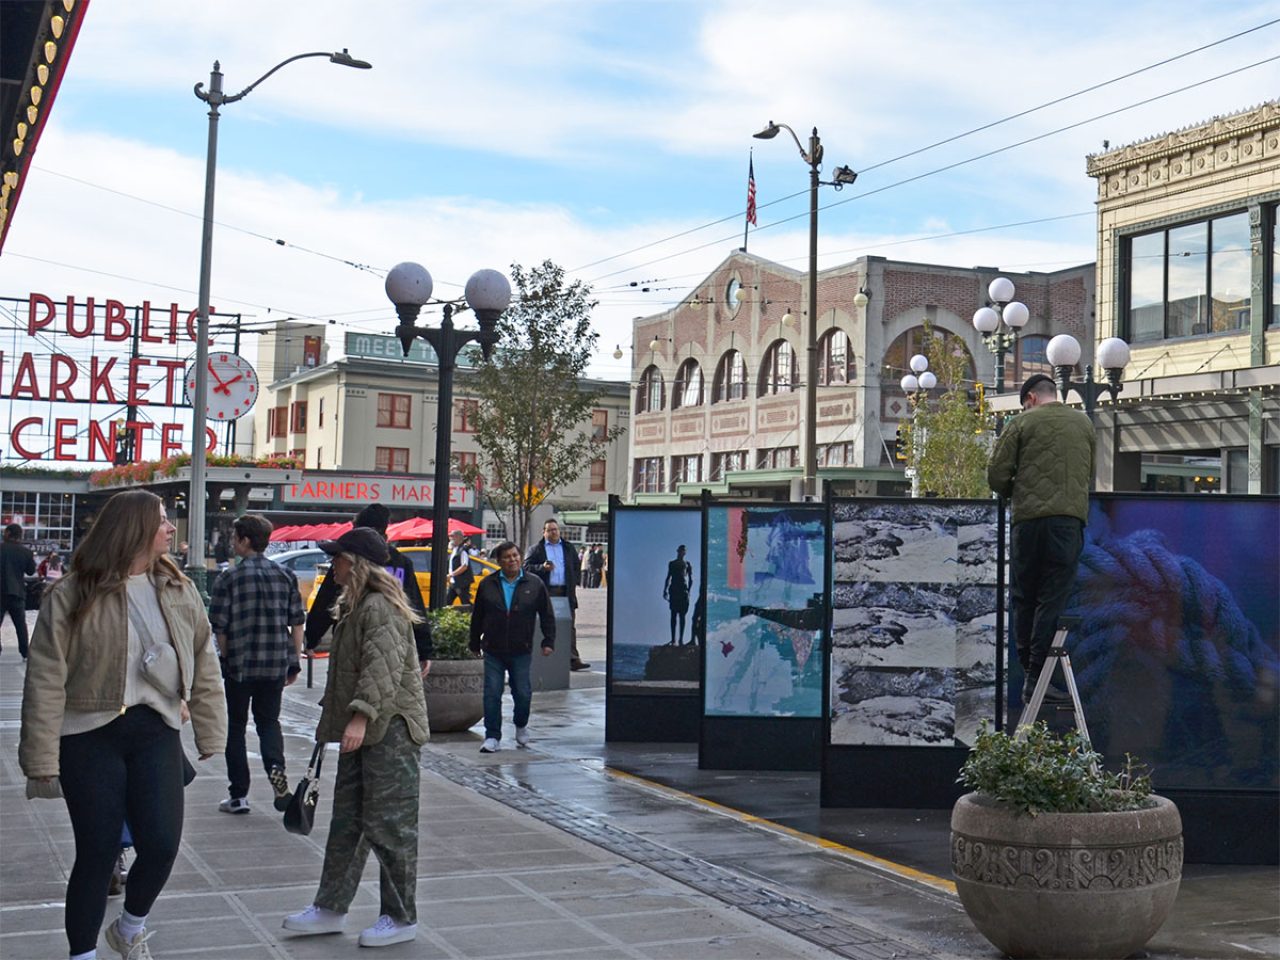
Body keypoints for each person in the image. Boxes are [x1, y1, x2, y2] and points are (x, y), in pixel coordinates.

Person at [18, 489, 226, 960]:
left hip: (156, 731)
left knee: (162, 844)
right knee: (96, 853)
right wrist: (41, 757)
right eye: (162, 520)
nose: (171, 528)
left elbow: (203, 660)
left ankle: (129, 927)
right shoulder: (72, 593)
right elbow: (46, 676)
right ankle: (83, 954)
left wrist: (211, 730)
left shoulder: (178, 588)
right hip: (87, 735)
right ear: (134, 529)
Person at [282, 527, 429, 949]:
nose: (332, 566)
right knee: (349, 821)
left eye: (338, 558)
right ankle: (330, 907)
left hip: (391, 730)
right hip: (366, 728)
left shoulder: (379, 607)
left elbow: (380, 671)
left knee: (391, 824)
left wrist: (359, 718)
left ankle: (401, 917)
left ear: (356, 563)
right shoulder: (359, 604)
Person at [988, 373, 1096, 704]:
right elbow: (1087, 473)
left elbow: (995, 475)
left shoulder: (1020, 423)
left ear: (1031, 398)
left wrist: (1014, 492)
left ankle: (1029, 675)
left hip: (1028, 523)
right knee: (1052, 598)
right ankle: (1038, 677)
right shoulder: (1084, 424)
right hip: (1067, 522)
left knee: (1024, 597)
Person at [208, 514, 305, 815]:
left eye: (235, 537)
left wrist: (225, 659)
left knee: (236, 727)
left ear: (245, 540)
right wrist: (294, 661)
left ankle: (238, 795)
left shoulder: (229, 578)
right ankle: (277, 771)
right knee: (269, 722)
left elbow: (220, 627)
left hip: (240, 664)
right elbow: (297, 623)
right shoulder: (285, 575)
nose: (232, 542)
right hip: (275, 663)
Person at [305, 504, 432, 674]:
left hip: (352, 642)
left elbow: (326, 600)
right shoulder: (401, 561)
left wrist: (312, 638)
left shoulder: (351, 557)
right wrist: (424, 649)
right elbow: (413, 604)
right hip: (395, 640)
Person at [470, 541, 555, 753]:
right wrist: (473, 642)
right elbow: (477, 616)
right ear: (499, 561)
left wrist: (548, 641)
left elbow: (547, 614)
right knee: (492, 692)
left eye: (515, 555)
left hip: (521, 649)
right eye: (507, 557)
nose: (512, 560)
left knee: (523, 692)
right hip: (493, 649)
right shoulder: (488, 584)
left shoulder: (534, 584)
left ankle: (521, 724)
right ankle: (492, 736)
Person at [524, 518, 588, 670]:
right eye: (550, 530)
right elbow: (526, 567)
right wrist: (542, 567)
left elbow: (575, 566)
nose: (554, 532)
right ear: (544, 532)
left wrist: (574, 581)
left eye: (556, 529)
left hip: (565, 592)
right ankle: (543, 656)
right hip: (546, 592)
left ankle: (573, 658)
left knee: (569, 626)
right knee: (546, 624)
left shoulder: (567, 547)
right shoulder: (536, 549)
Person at [1, 523, 36, 659]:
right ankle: (24, 651)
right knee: (20, 624)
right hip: (17, 592)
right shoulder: (25, 552)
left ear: (8, 533)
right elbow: (30, 571)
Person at [663, 545, 694, 646]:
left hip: (683, 591)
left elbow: (691, 579)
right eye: (680, 551)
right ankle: (673, 639)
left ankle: (680, 639)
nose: (681, 553)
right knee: (673, 615)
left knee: (682, 616)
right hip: (674, 591)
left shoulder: (687, 564)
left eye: (683, 551)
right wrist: (665, 590)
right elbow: (668, 577)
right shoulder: (672, 564)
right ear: (678, 552)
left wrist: (689, 591)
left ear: (684, 553)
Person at [445, 528, 475, 606]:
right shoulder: (455, 550)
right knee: (447, 601)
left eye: (452, 536)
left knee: (465, 602)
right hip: (454, 582)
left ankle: (472, 615)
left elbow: (464, 566)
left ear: (458, 537)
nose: (450, 538)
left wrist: (451, 575)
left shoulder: (463, 550)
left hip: (461, 582)